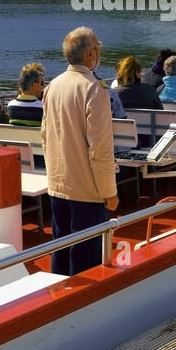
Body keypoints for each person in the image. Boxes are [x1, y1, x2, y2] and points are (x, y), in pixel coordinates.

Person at [42, 27, 119, 276]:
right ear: (90, 54)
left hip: (58, 183)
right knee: (86, 260)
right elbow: (101, 148)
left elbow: (46, 136)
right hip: (87, 189)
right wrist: (110, 191)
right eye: (98, 48)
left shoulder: (52, 86)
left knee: (60, 251)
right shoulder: (94, 89)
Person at [7, 63, 46, 127]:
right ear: (34, 85)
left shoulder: (10, 105)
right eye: (41, 83)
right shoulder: (43, 108)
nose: (43, 86)